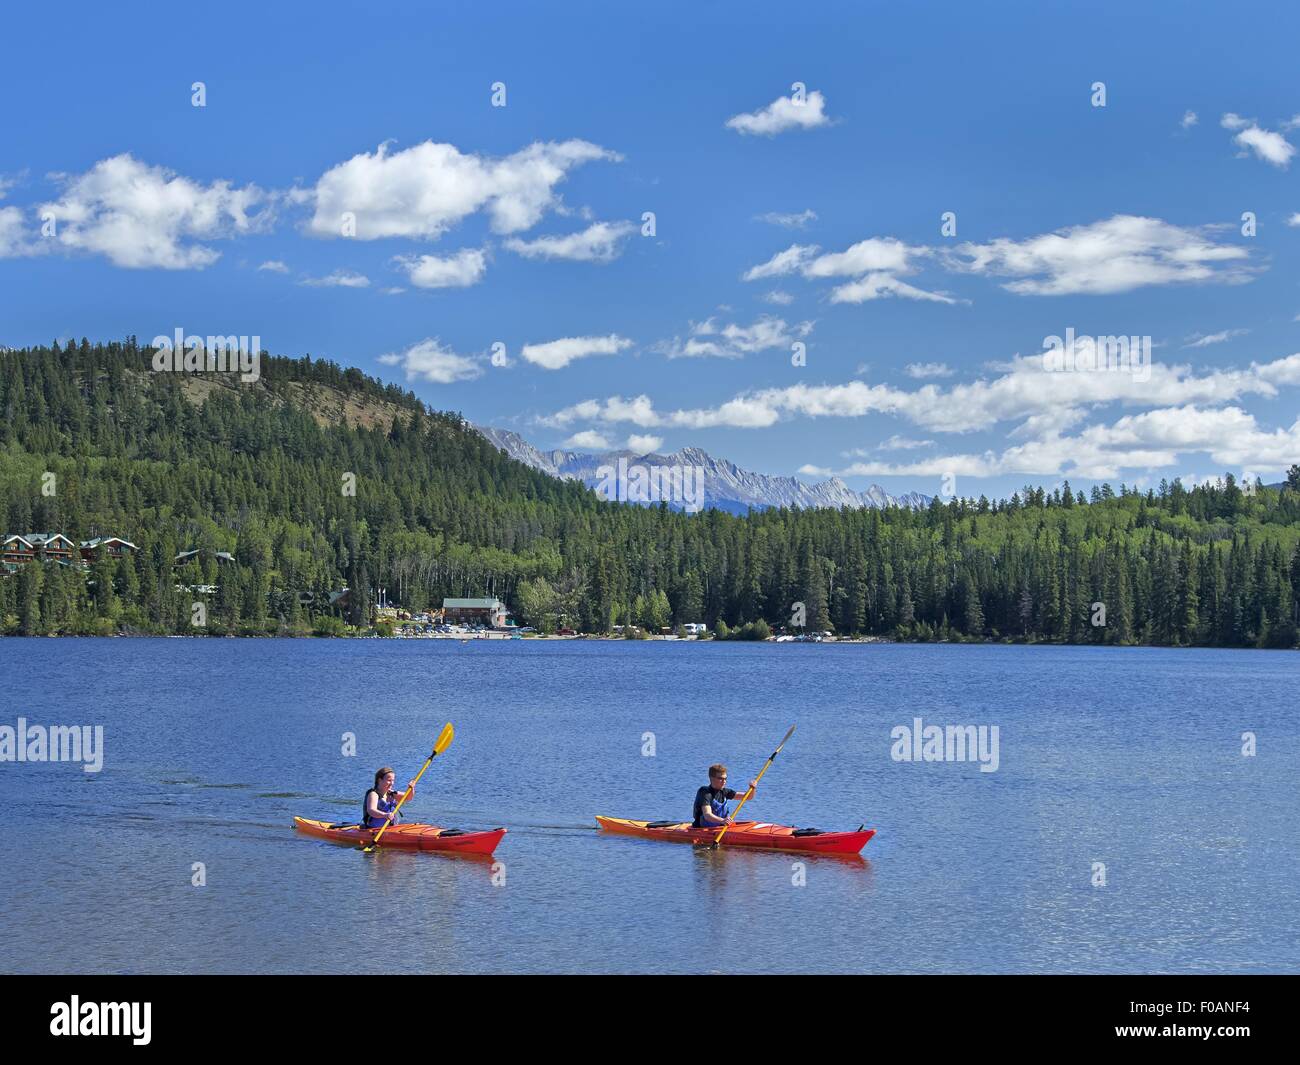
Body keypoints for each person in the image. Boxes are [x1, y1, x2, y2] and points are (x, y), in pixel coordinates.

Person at [692, 764, 757, 828]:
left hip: (720, 827)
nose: (724, 781)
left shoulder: (725, 792)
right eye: (720, 778)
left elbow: (748, 797)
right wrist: (723, 820)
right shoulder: (705, 793)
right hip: (702, 829)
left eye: (725, 778)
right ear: (711, 778)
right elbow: (707, 815)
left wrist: (753, 788)